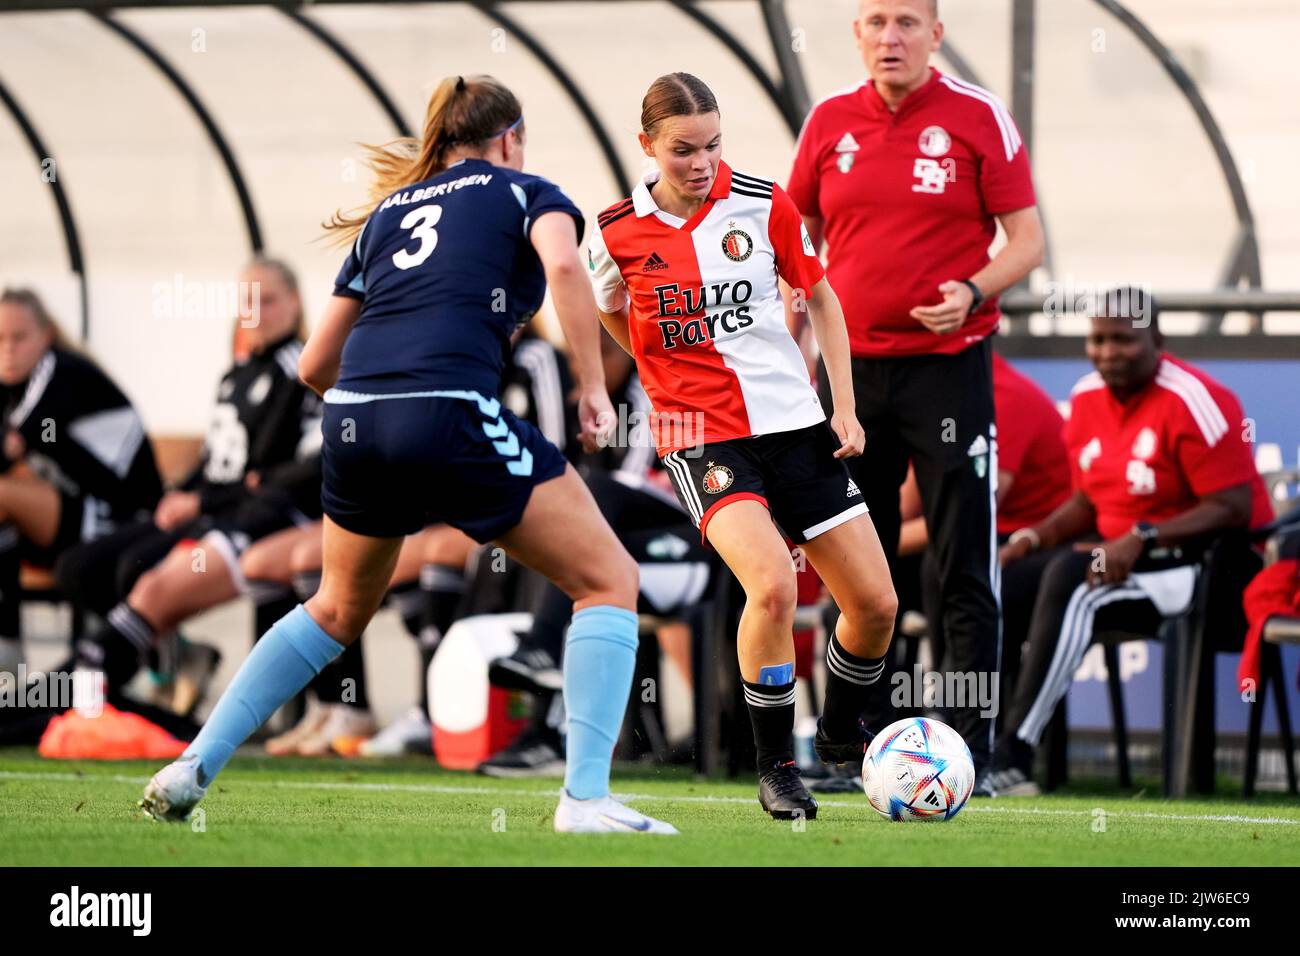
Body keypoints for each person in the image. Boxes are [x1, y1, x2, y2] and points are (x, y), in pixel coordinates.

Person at [140, 74, 677, 835]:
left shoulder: (388, 213)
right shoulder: (528, 191)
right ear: (510, 137)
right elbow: (565, 268)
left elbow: (313, 367)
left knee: (332, 608)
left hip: (354, 419)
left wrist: (387, 414)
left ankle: (193, 764)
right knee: (608, 578)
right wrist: (593, 388)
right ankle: (585, 801)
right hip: (448, 410)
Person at [588, 72, 897, 820]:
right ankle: (776, 768)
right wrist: (662, 382)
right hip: (702, 436)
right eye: (683, 150)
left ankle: (838, 736)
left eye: (713, 144)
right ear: (648, 147)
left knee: (876, 606)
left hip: (794, 424)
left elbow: (819, 295)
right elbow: (607, 306)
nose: (701, 162)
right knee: (774, 587)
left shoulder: (762, 203)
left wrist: (843, 408)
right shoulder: (615, 230)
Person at [785, 0, 1045, 780]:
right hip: (852, 380)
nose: (890, 37)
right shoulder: (829, 119)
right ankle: (848, 744)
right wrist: (795, 346)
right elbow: (792, 236)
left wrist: (972, 287)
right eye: (875, 21)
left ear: (937, 33)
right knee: (858, 568)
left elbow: (1027, 240)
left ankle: (975, 749)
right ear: (856, 35)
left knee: (963, 561)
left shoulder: (977, 116)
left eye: (907, 21)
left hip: (950, 370)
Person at [984, 289, 1273, 795]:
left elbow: (1234, 509)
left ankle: (1014, 757)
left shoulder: (1195, 399)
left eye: (1123, 340)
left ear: (1157, 339)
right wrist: (1034, 536)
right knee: (1005, 578)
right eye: (1097, 339)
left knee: (1073, 577)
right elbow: (1087, 501)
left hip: (1209, 569)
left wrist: (1143, 535)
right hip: (1127, 556)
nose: (1107, 352)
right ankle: (974, 738)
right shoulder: (1087, 395)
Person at [49, 259, 322, 704]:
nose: (256, 313)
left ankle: (105, 690)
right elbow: (217, 460)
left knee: (136, 570)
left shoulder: (303, 369)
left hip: (256, 517)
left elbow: (274, 472)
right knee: (79, 568)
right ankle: (171, 661)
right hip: (212, 507)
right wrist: (182, 493)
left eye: (268, 300)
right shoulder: (234, 375)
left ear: (295, 302)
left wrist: (200, 502)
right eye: (248, 302)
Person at [0, 289, 163, 678]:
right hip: (73, 517)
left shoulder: (60, 373)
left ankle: (7, 646)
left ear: (46, 335)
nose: (8, 350)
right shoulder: (12, 387)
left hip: (125, 518)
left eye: (19, 338)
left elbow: (12, 446)